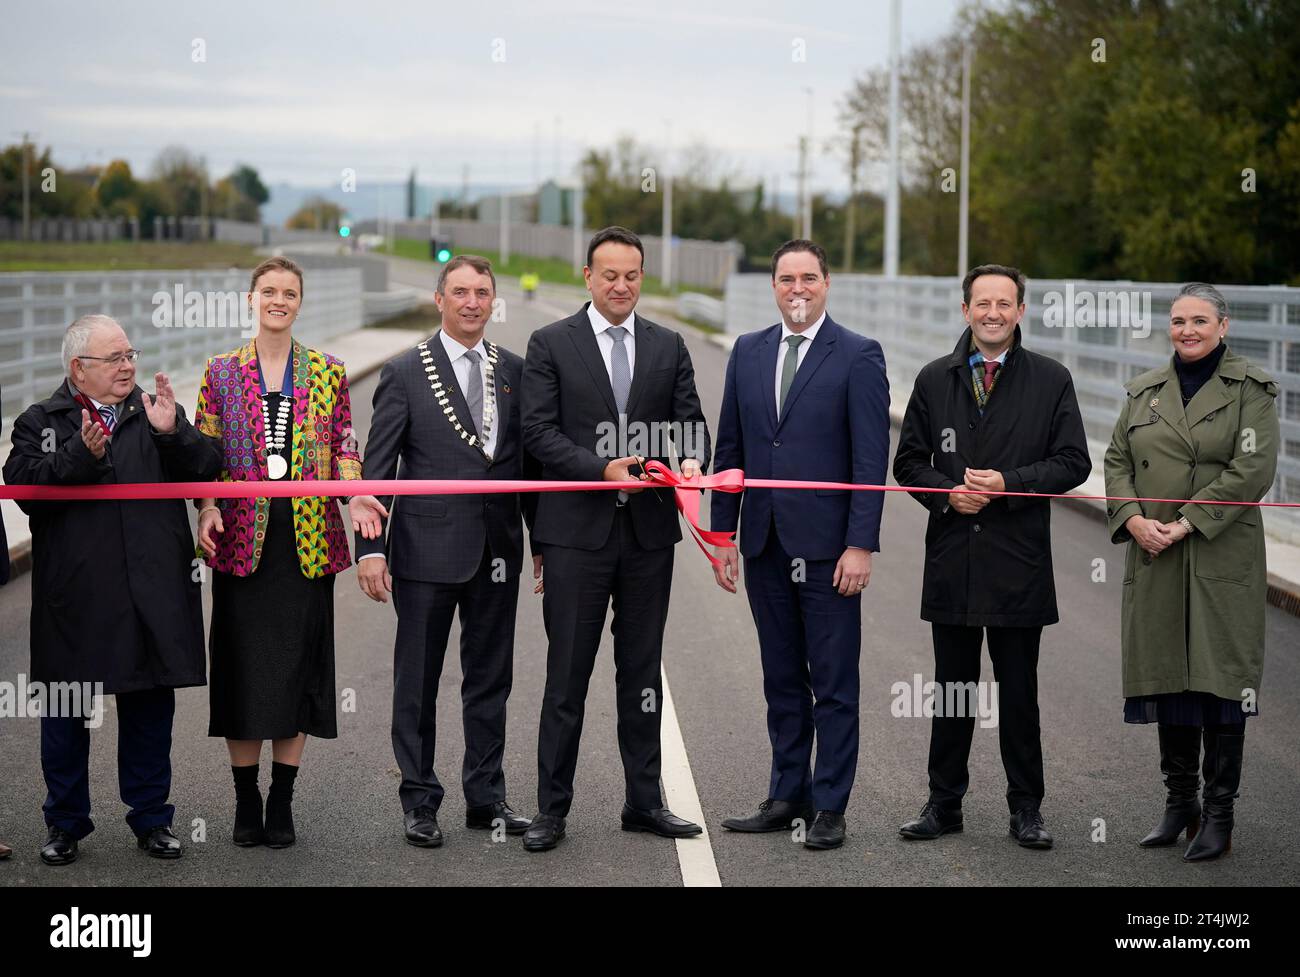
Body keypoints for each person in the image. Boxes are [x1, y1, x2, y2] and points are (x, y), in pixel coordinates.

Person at [4, 315, 222, 866]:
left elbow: (205, 470)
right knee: (66, 717)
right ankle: (65, 824)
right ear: (80, 369)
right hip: (77, 599)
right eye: (115, 358)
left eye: (131, 355)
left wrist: (176, 432)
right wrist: (84, 455)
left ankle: (152, 820)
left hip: (151, 590)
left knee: (149, 711)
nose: (129, 366)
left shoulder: (152, 412)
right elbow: (26, 488)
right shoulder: (41, 420)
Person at [519, 226, 710, 852]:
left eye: (631, 275)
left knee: (641, 674)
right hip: (577, 535)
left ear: (642, 278)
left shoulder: (669, 344)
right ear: (587, 276)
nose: (621, 285)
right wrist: (599, 469)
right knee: (566, 677)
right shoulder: (550, 343)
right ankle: (551, 810)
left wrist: (687, 463)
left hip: (649, 536)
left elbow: (691, 425)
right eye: (610, 275)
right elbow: (538, 433)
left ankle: (645, 802)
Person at [893, 264, 1091, 850]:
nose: (993, 313)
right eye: (983, 303)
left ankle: (1027, 808)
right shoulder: (935, 380)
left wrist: (1009, 483)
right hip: (953, 557)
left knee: (1018, 692)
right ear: (966, 311)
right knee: (952, 690)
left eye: (1005, 303)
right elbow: (907, 464)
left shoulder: (1050, 380)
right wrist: (945, 494)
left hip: (1017, 562)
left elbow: (1073, 462)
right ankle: (943, 803)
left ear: (1020, 312)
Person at [349, 255, 538, 848]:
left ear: (493, 301)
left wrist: (542, 546)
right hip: (425, 550)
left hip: (498, 549)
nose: (472, 302)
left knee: (490, 679)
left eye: (482, 292)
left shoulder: (515, 371)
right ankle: (420, 800)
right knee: (419, 678)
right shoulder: (405, 371)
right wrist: (370, 549)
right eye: (460, 292)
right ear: (439, 299)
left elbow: (527, 465)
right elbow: (377, 468)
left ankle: (486, 799)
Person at [709, 239, 891, 850]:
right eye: (786, 278)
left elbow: (870, 461)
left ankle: (830, 806)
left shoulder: (859, 356)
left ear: (827, 283)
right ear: (773, 285)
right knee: (782, 679)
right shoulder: (748, 350)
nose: (798, 288)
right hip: (763, 543)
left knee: (834, 683)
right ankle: (788, 794)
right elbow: (729, 450)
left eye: (808, 278)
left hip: (828, 550)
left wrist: (860, 544)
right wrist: (721, 534)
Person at [1103, 282, 1278, 862]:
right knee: (1168, 676)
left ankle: (1219, 815)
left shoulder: (1250, 390)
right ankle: (1181, 804)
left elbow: (1253, 469)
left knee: (1221, 680)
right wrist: (1131, 519)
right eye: (1179, 321)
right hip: (1153, 552)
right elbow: (1117, 460)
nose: (1187, 331)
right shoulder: (1145, 391)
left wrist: (1184, 521)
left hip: (1217, 552)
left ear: (1223, 327)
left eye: (1200, 321)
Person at [194, 256, 363, 849]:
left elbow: (345, 443)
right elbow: (206, 455)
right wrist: (207, 508)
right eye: (269, 291)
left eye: (290, 292)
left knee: (301, 673)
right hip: (243, 544)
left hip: (309, 542)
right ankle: (245, 800)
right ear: (250, 298)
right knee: (243, 674)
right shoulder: (219, 372)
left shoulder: (327, 371)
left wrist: (357, 493)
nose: (279, 300)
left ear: (299, 302)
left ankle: (283, 799)